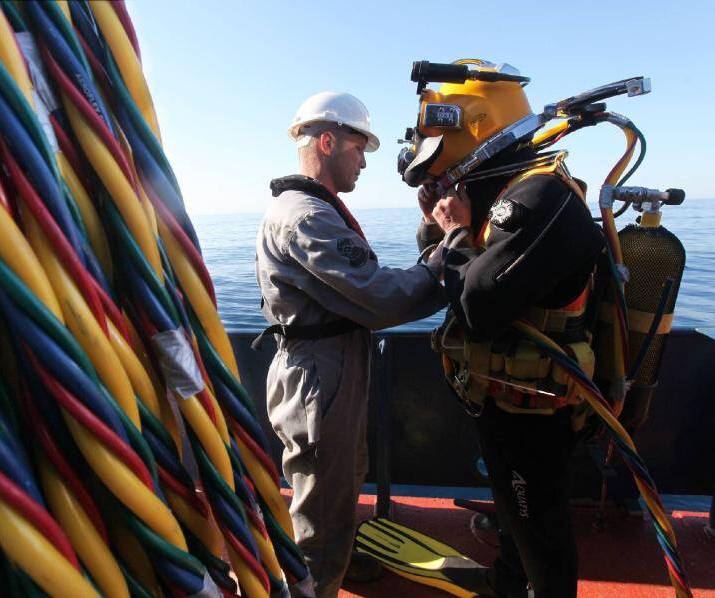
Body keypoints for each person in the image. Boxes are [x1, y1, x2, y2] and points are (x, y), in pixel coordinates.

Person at [402, 60, 605, 597]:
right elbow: (465, 272)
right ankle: (509, 584)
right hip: (509, 398)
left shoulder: (537, 198)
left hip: (534, 410)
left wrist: (450, 232)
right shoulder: (507, 195)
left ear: (473, 122)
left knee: (539, 526)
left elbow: (477, 306)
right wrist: (440, 226)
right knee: (517, 515)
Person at [255, 91, 447, 597]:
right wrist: (449, 249)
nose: (364, 163)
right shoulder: (309, 217)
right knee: (323, 515)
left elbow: (364, 281)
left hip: (327, 365)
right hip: (322, 376)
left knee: (330, 496)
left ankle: (322, 575)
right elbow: (383, 296)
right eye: (359, 150)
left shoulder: (314, 210)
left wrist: (430, 228)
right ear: (327, 141)